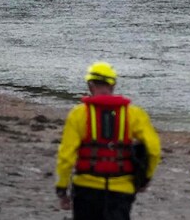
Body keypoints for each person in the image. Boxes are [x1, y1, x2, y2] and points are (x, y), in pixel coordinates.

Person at [55, 61, 162, 220]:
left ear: (90, 85)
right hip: (121, 190)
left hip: (86, 188)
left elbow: (66, 156)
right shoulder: (134, 114)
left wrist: (62, 188)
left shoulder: (78, 114)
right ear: (113, 85)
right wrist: (145, 179)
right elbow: (154, 150)